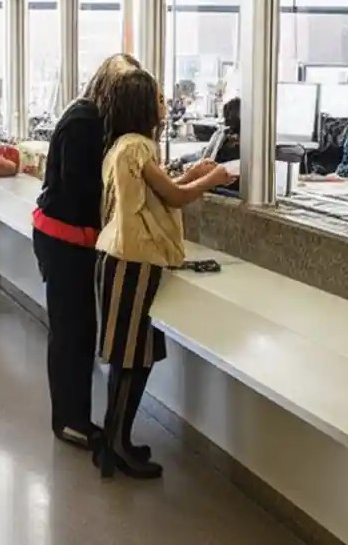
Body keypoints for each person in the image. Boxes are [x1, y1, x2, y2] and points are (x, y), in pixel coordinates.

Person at [93, 68, 232, 480]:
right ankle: (117, 445)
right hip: (132, 261)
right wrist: (213, 178)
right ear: (142, 105)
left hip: (123, 258)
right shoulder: (137, 146)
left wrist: (191, 174)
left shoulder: (125, 145)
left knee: (130, 358)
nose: (164, 105)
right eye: (157, 98)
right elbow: (173, 197)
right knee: (131, 361)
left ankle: (115, 440)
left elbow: (155, 192)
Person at [33, 53, 140, 452]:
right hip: (64, 239)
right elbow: (84, 189)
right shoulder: (85, 124)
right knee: (72, 333)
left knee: (76, 331)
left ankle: (72, 415)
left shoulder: (87, 114)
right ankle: (71, 421)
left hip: (64, 235)